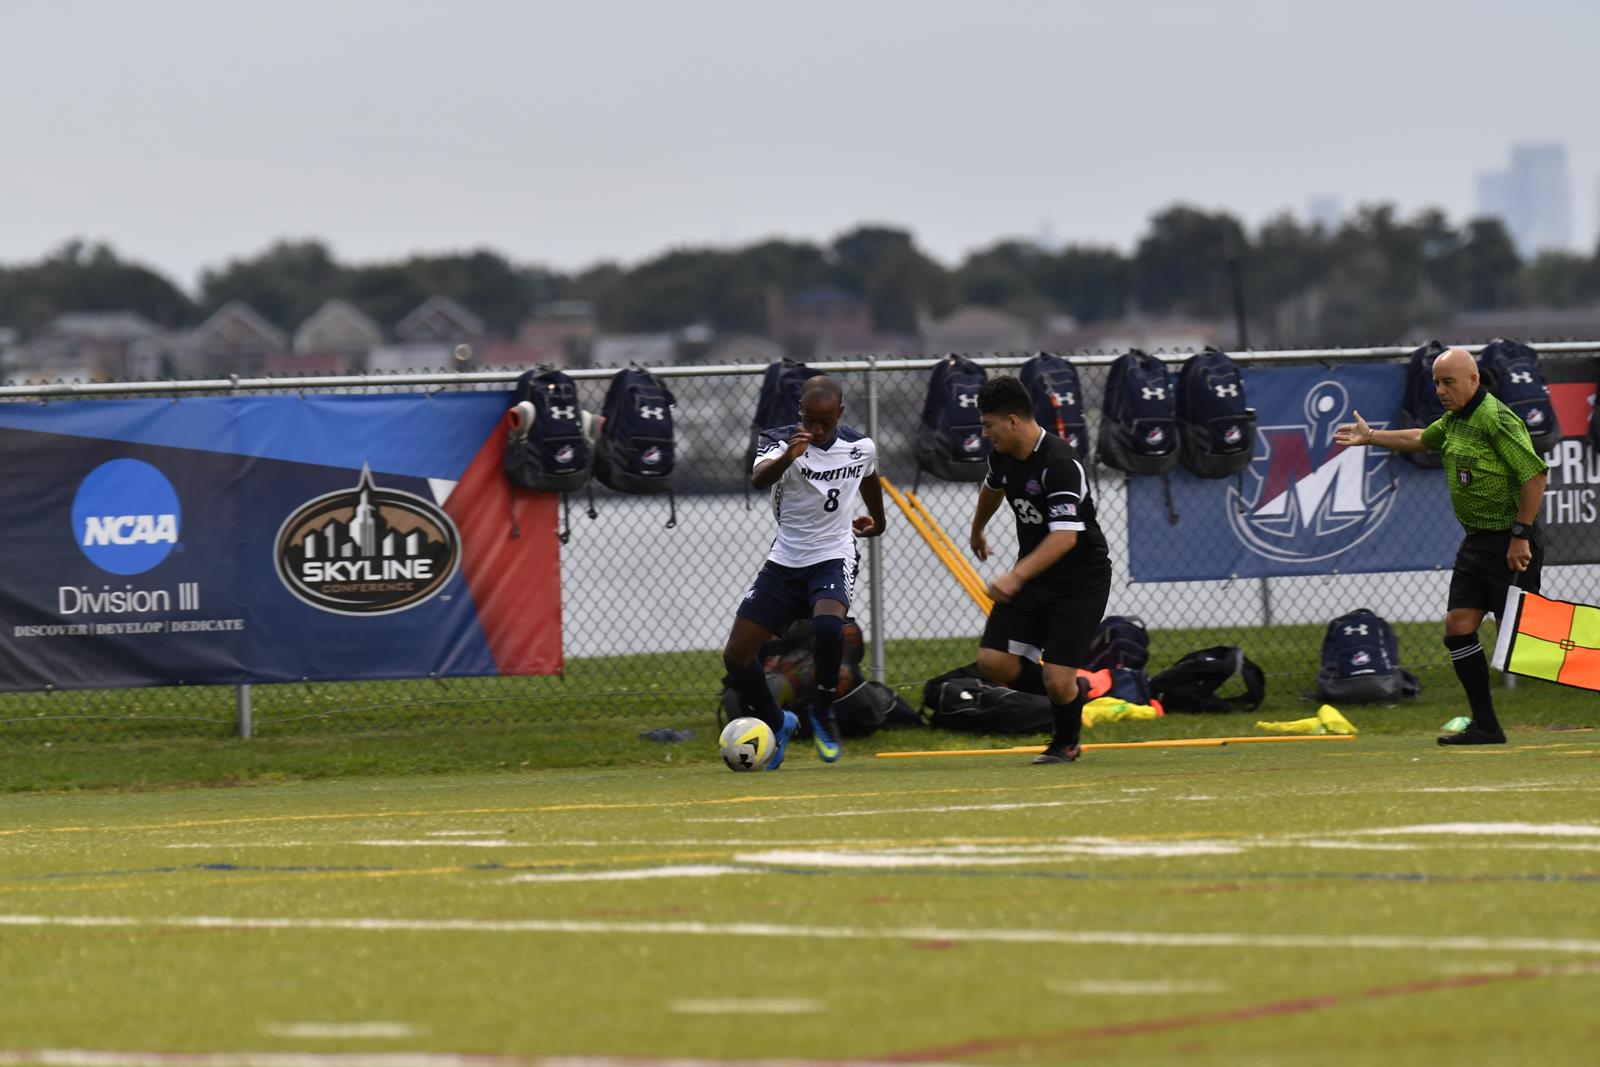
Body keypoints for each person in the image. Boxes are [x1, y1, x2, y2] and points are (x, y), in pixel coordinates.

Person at [1335, 347, 1548, 745]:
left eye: (1448, 382)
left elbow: (1535, 475)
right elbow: (1422, 437)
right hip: (1477, 544)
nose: (1440, 390)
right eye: (1436, 382)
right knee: (1458, 628)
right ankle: (1486, 725)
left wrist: (1520, 536)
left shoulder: (1496, 419)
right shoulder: (1455, 420)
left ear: (1474, 380)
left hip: (1509, 541)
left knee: (1526, 645)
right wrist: (1371, 437)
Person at [721, 375, 886, 768]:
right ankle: (778, 723)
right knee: (737, 657)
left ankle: (824, 712)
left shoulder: (859, 446)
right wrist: (788, 458)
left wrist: (877, 521)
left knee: (829, 627)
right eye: (810, 420)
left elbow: (870, 478)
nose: (817, 429)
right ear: (801, 413)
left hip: (833, 555)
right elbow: (759, 479)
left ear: (840, 413)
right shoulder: (779, 441)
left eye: (825, 422)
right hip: (785, 561)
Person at [968, 375, 1112, 764]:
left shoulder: (1060, 463)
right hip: (1034, 577)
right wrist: (977, 529)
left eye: (988, 425)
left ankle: (1066, 741)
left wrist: (1015, 576)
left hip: (1080, 583)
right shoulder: (1001, 455)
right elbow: (992, 488)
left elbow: (1064, 539)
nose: (985, 434)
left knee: (1056, 679)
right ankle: (1070, 689)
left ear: (1012, 420)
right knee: (993, 662)